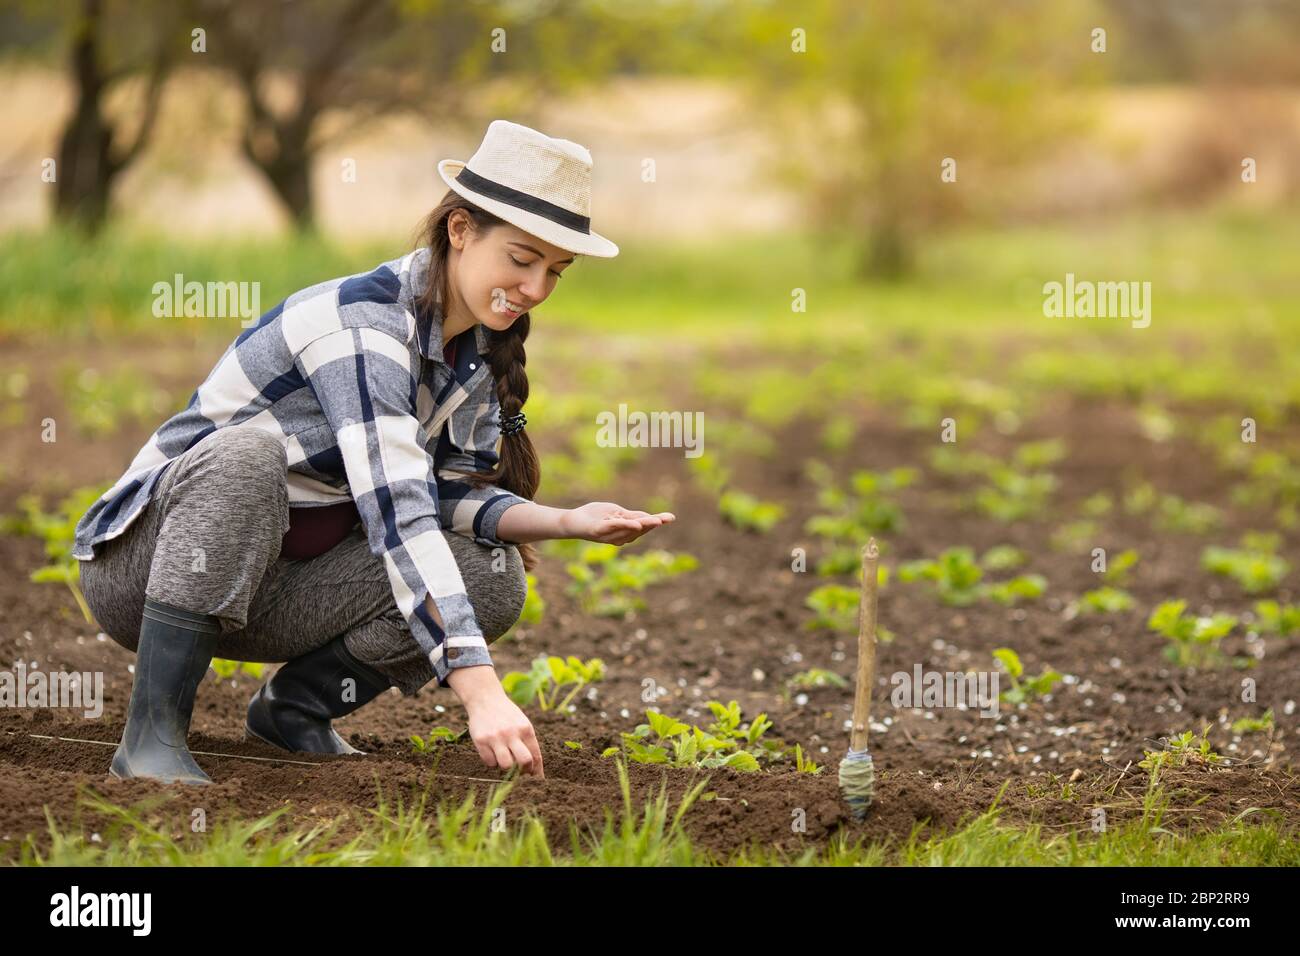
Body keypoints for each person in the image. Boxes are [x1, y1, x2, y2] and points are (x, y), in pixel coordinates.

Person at [72, 120, 674, 786]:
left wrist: (567, 522)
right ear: (461, 232)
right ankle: (151, 737)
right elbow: (399, 508)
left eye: (556, 271)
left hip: (275, 586)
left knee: (492, 574)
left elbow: (441, 493)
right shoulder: (363, 322)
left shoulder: (471, 351)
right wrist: (480, 693)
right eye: (522, 259)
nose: (535, 287)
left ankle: (294, 711)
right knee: (245, 456)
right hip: (151, 571)